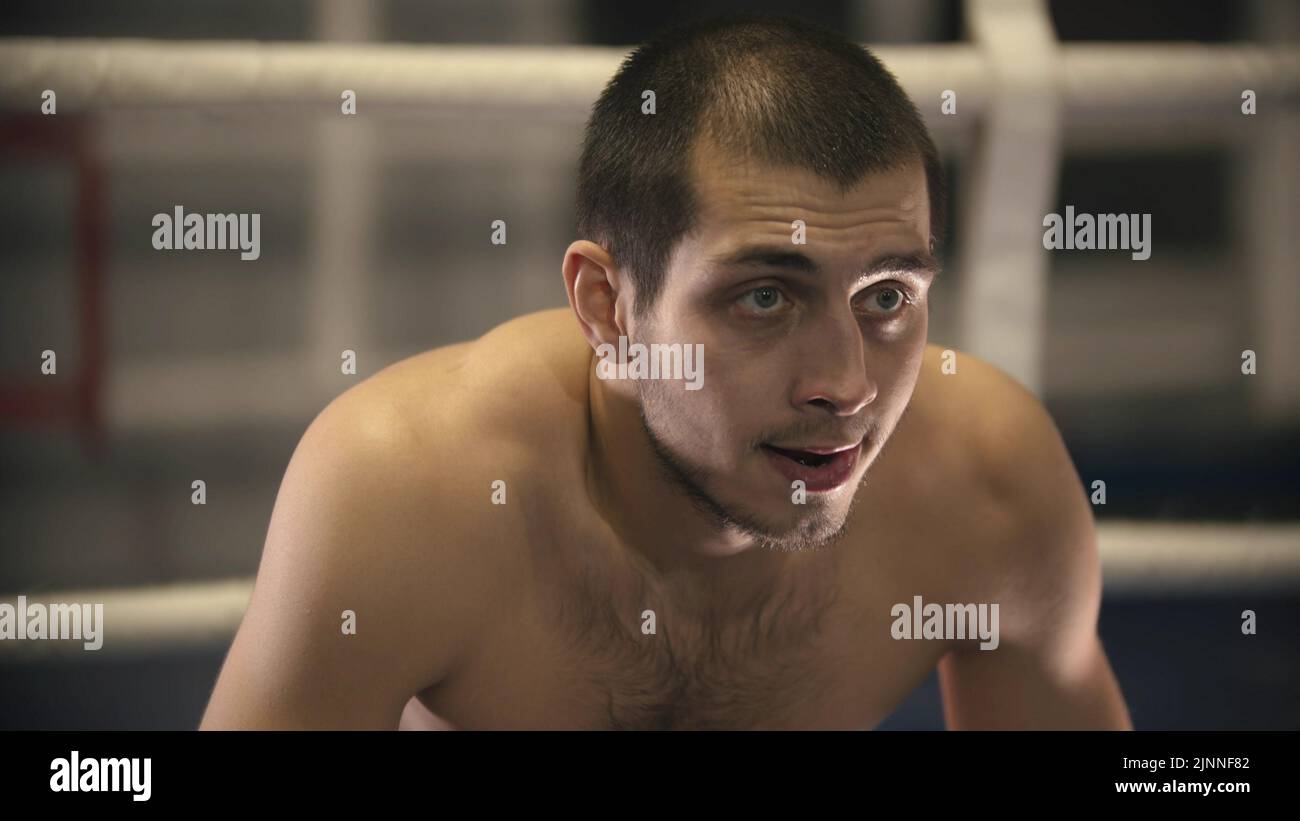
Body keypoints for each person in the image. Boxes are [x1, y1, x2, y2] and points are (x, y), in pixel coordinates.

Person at [202, 15, 1132, 730]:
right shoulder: (407, 486)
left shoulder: (987, 481)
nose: (846, 385)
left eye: (887, 298)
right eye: (765, 297)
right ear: (609, 308)